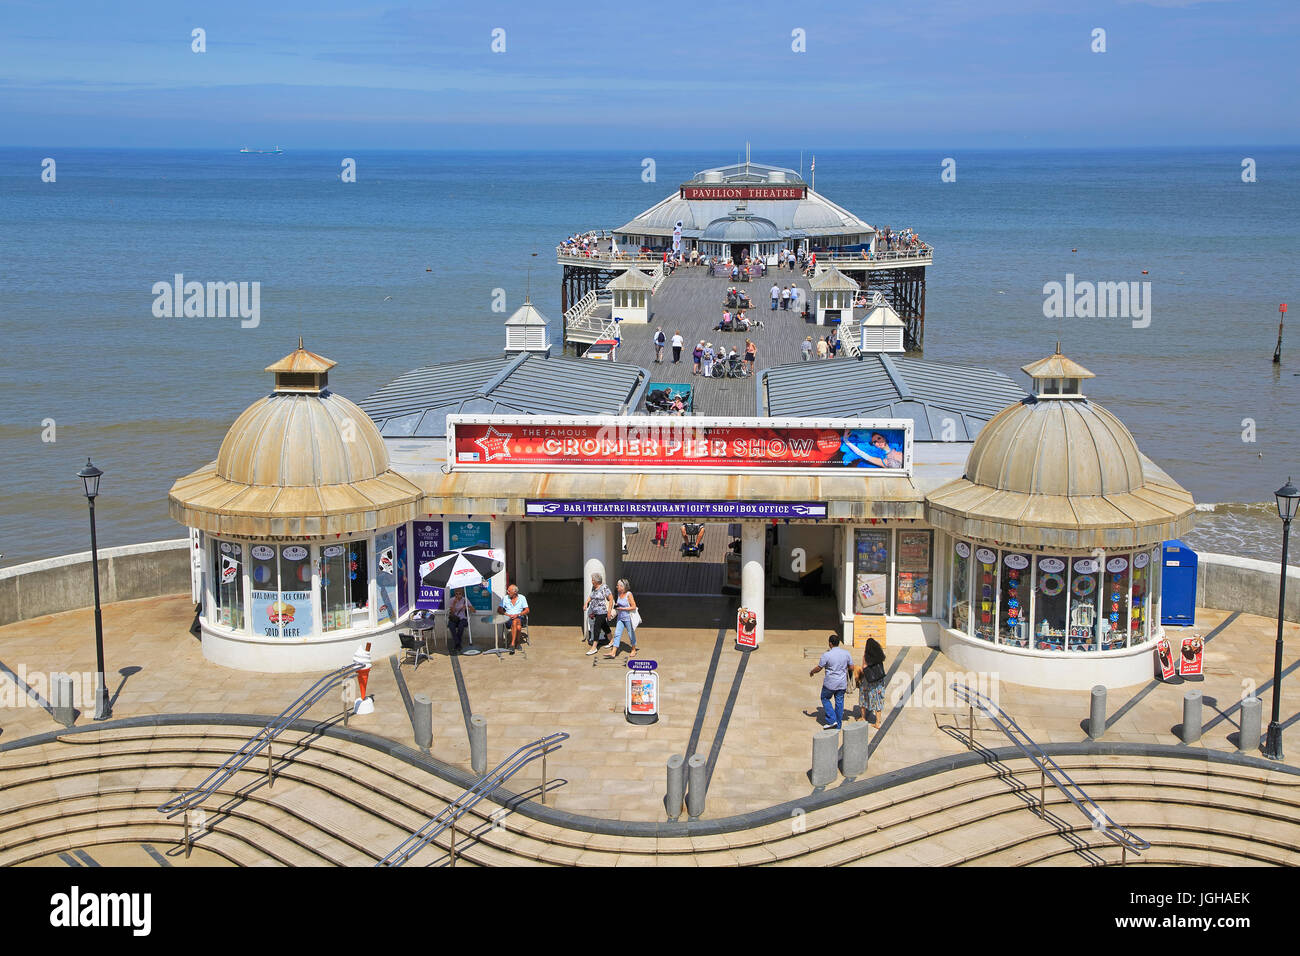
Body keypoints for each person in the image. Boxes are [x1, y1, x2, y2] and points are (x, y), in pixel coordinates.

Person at [810, 633, 853, 729]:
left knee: (824, 698)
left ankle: (832, 720)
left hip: (830, 684)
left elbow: (819, 668)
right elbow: (851, 667)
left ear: (830, 644)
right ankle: (838, 725)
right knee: (839, 703)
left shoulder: (827, 655)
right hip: (842, 683)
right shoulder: (846, 653)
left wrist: (812, 672)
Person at [855, 637, 887, 728]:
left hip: (868, 681)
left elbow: (864, 668)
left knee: (863, 697)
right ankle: (878, 722)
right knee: (878, 700)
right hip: (879, 681)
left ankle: (863, 717)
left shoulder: (866, 656)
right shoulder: (880, 655)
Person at [605, 578, 639, 659]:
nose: (617, 587)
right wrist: (616, 606)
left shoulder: (629, 594)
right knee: (617, 634)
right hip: (620, 618)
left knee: (631, 634)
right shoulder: (619, 594)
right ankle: (613, 652)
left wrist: (623, 609)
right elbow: (619, 604)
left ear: (623, 587)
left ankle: (633, 649)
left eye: (618, 585)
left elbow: (634, 606)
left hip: (628, 618)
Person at [582, 572, 613, 655]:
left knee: (596, 627)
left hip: (602, 611)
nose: (591, 581)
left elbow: (611, 599)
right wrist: (586, 603)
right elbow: (591, 596)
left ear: (596, 581)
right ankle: (612, 641)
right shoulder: (594, 588)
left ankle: (594, 647)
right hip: (595, 611)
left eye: (592, 580)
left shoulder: (604, 587)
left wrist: (609, 611)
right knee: (604, 626)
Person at [497, 583, 529, 655]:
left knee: (516, 620)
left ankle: (512, 644)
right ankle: (517, 643)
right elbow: (499, 610)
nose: (507, 592)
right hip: (508, 618)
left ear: (515, 592)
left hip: (520, 617)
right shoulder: (505, 598)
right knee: (517, 624)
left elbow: (527, 610)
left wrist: (518, 614)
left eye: (509, 591)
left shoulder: (522, 598)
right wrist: (507, 614)